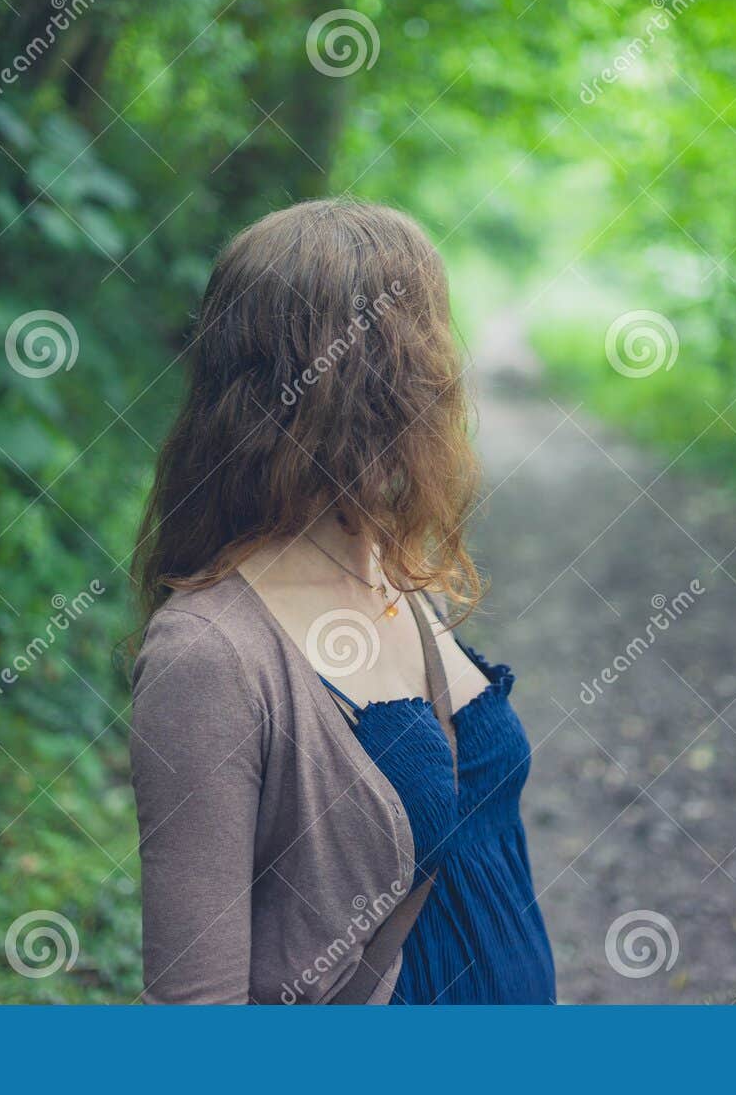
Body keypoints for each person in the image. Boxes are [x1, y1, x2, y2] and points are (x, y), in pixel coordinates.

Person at [128, 198, 555, 1004]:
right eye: (429, 344)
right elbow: (198, 1014)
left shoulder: (392, 572)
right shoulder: (211, 653)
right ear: (386, 381)